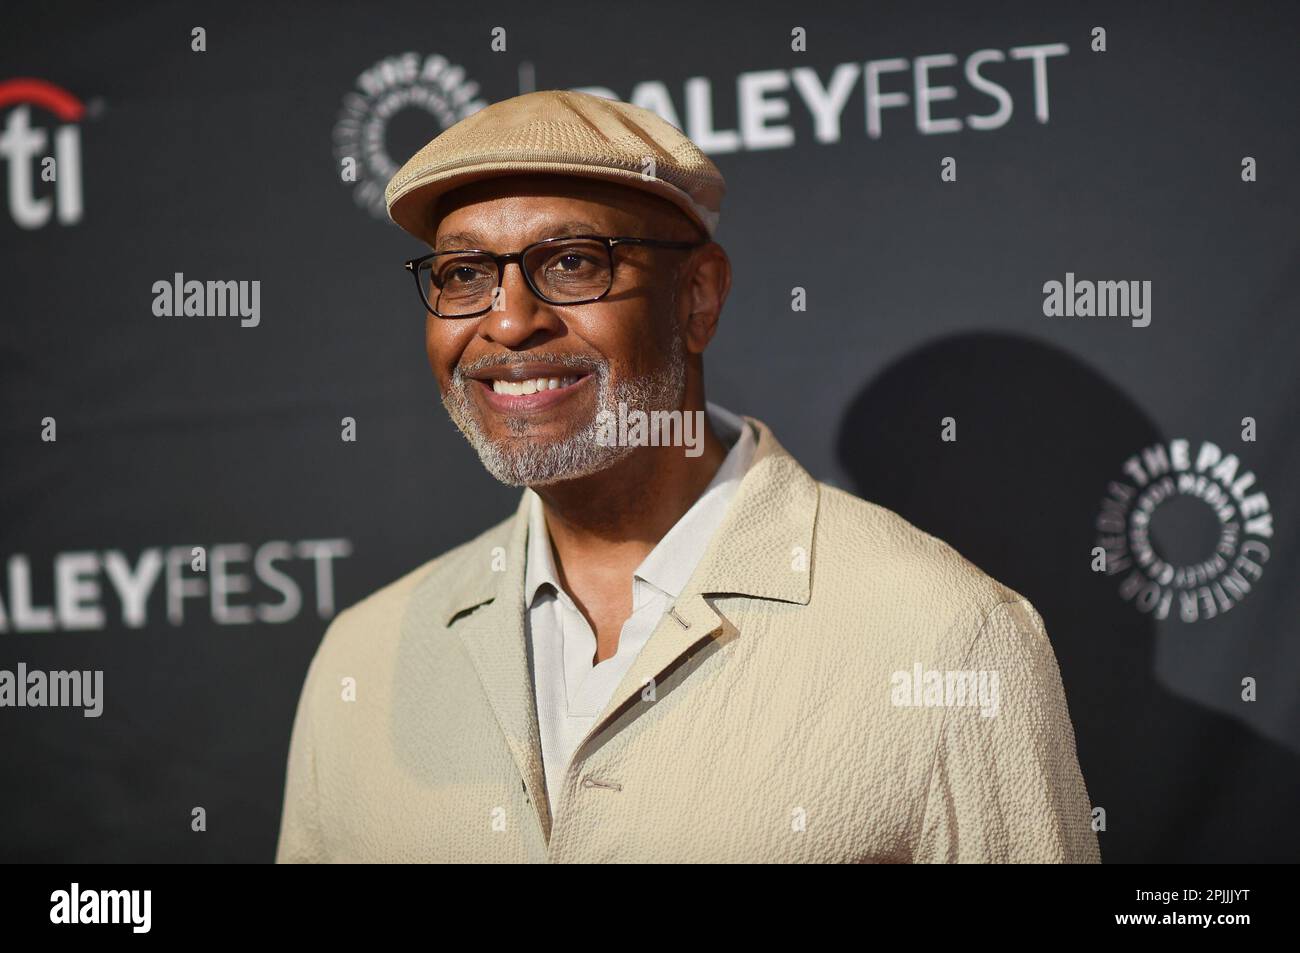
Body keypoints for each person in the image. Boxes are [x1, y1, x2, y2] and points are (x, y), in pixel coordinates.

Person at [275, 89, 1100, 863]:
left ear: (697, 298)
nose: (509, 319)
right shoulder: (364, 656)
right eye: (464, 274)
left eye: (571, 262)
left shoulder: (947, 636)